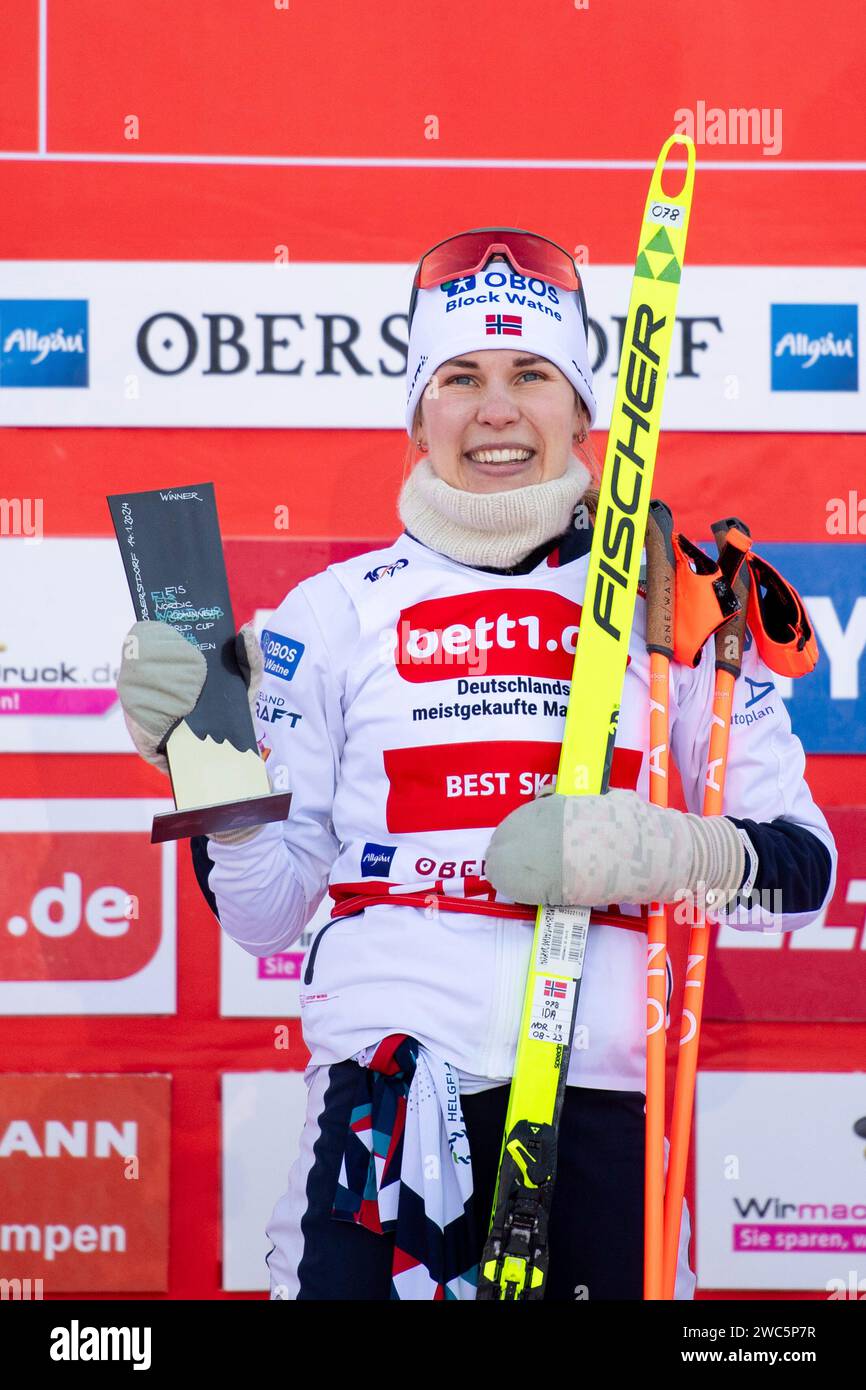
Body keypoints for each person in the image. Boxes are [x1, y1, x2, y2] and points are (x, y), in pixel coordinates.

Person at [117, 228, 837, 1301]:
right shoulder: (332, 615)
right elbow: (267, 912)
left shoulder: (672, 595)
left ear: (585, 406)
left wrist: (654, 845)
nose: (494, 409)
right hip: (385, 1099)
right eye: (458, 377)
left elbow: (805, 869)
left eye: (528, 375)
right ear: (416, 408)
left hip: (604, 1102)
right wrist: (202, 760)